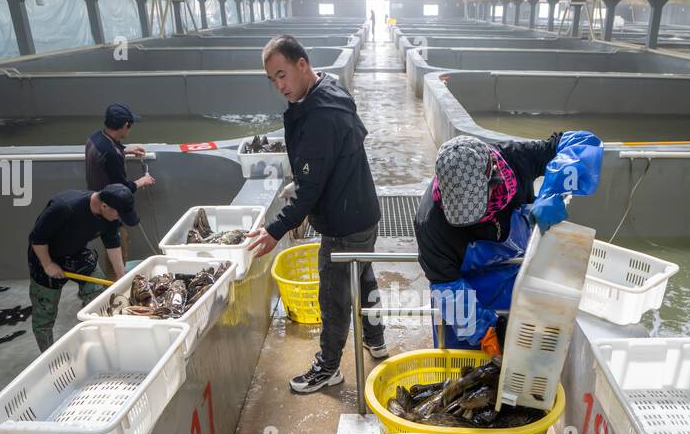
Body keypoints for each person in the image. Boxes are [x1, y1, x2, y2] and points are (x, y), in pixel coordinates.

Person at [245, 34, 386, 393]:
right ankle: (376, 339)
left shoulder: (319, 115)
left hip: (343, 224)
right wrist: (309, 178)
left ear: (302, 65)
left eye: (282, 75)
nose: (279, 86)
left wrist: (275, 229)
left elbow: (309, 191)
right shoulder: (330, 87)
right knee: (363, 275)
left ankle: (328, 368)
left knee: (334, 298)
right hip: (364, 212)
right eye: (272, 79)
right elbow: (336, 152)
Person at [414, 132, 597, 353]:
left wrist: (553, 192)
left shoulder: (516, 159)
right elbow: (448, 288)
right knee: (460, 365)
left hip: (515, 282)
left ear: (493, 175)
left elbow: (580, 141)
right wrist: (486, 332)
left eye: (476, 209)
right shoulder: (430, 223)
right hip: (463, 303)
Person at [27, 184, 138, 351]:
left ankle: (103, 345)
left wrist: (121, 276)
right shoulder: (64, 207)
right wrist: (48, 264)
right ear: (104, 206)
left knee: (100, 296)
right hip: (44, 256)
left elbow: (112, 244)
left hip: (76, 252)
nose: (119, 218)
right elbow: (37, 239)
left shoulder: (110, 217)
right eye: (118, 214)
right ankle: (47, 354)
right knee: (44, 313)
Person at [86, 103, 154, 277]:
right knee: (118, 250)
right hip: (110, 209)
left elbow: (109, 151)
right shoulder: (111, 154)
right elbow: (123, 189)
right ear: (125, 125)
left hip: (96, 201)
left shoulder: (95, 138)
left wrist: (125, 150)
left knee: (113, 248)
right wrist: (142, 181)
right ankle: (116, 283)